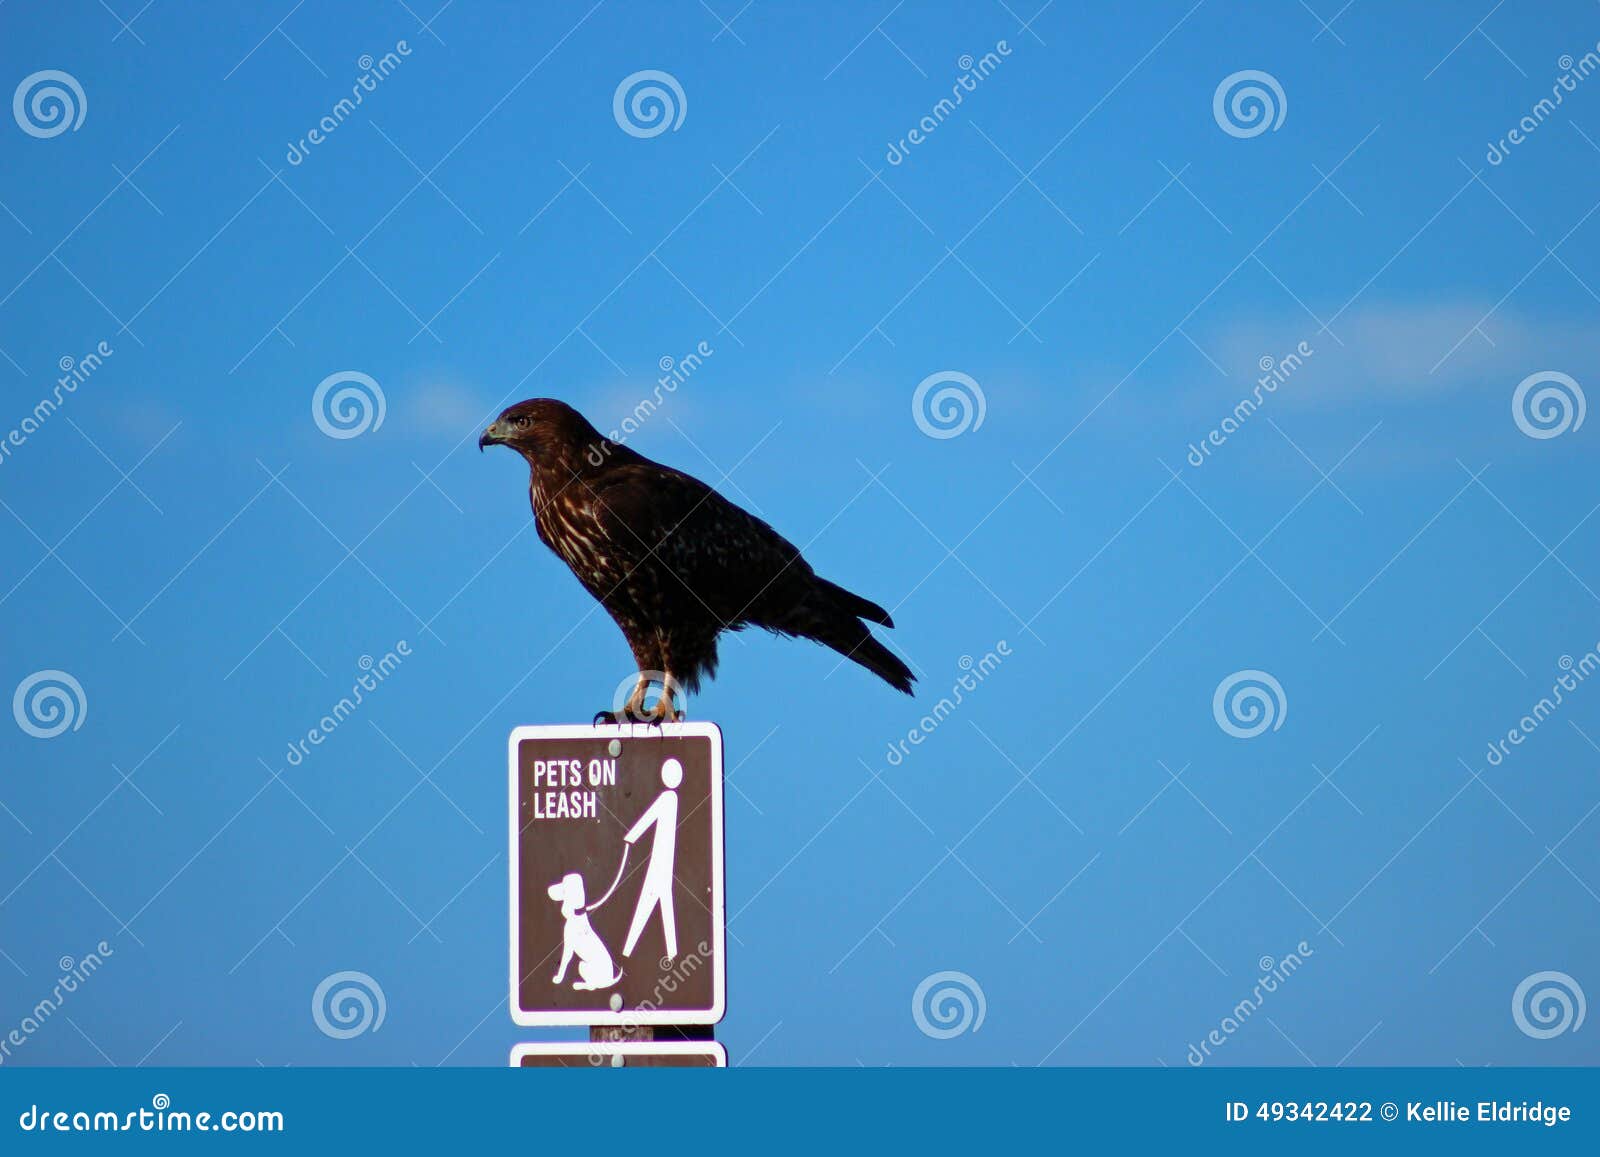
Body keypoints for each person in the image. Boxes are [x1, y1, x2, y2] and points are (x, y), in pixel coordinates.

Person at [621, 757, 681, 960]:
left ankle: (626, 953)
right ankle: (672, 953)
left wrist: (631, 837)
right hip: (664, 863)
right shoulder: (673, 799)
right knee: (664, 907)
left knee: (648, 906)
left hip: (659, 864)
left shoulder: (667, 799)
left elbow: (649, 818)